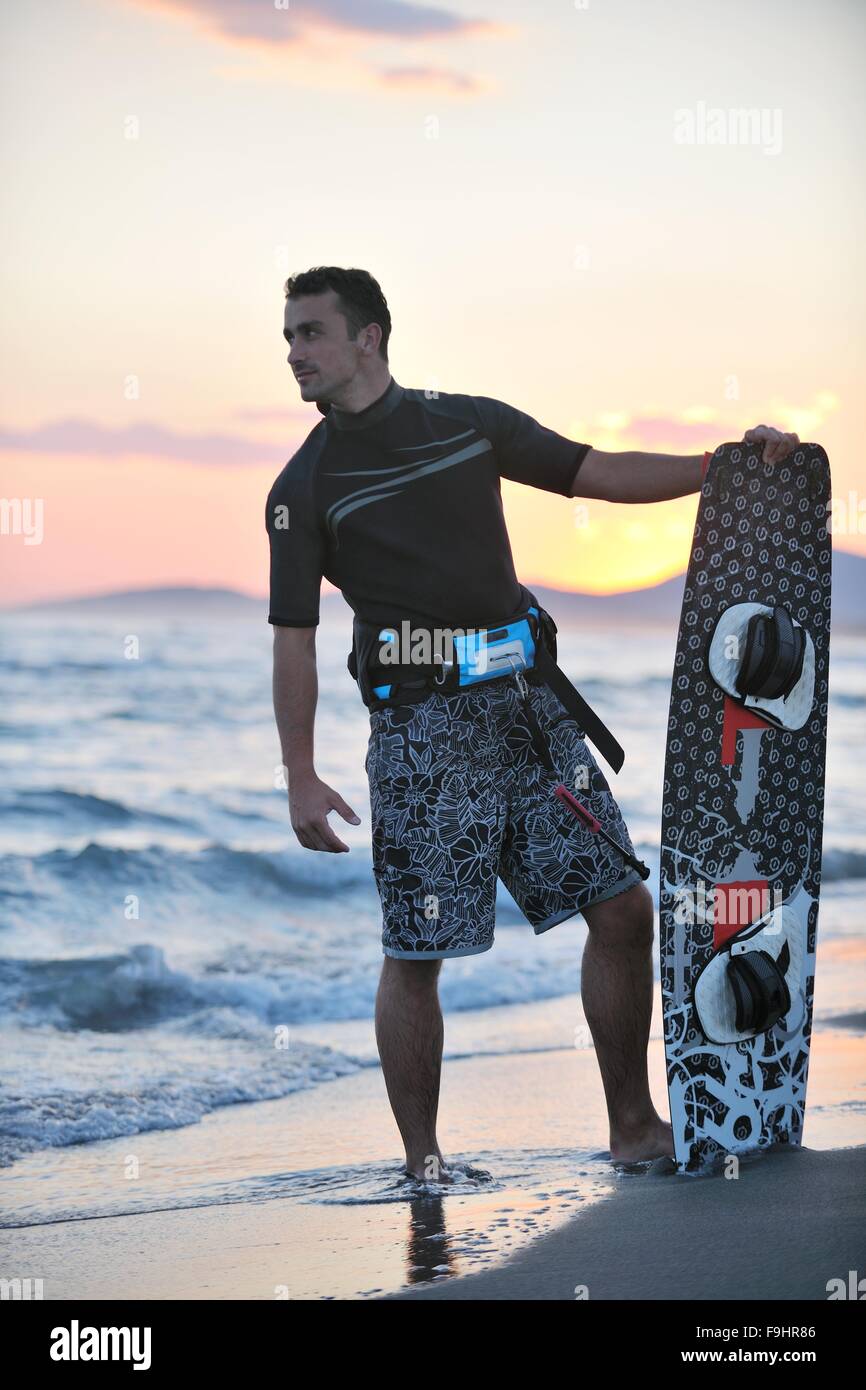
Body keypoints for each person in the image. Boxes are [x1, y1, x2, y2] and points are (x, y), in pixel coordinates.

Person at [265, 264, 800, 1180]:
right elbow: (295, 641)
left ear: (369, 336)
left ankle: (634, 1127)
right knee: (416, 951)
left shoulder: (467, 423)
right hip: (421, 738)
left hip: (529, 714)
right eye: (288, 339)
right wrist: (300, 774)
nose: (294, 354)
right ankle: (424, 1163)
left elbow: (593, 470)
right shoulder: (304, 485)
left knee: (623, 911)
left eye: (310, 333)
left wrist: (718, 470)